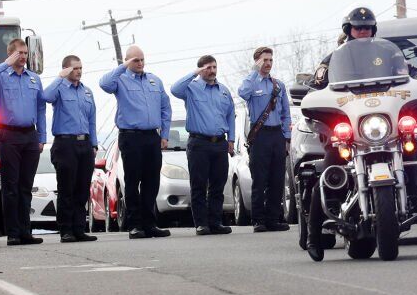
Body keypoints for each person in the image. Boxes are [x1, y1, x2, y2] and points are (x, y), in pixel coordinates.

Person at [100, 46, 172, 240]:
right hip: (130, 137)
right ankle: (135, 225)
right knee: (132, 181)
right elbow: (104, 84)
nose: (140, 63)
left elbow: (165, 108)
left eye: (142, 60)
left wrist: (164, 134)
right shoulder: (120, 80)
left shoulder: (154, 81)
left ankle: (150, 224)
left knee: (151, 181)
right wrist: (123, 66)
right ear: (127, 61)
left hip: (151, 137)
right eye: (135, 60)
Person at [0, 39, 45, 247]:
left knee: (26, 187)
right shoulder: (1, 77)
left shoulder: (34, 79)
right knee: (11, 186)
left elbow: (41, 109)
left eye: (25, 53)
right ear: (10, 55)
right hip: (8, 135)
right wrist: (6, 63)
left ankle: (26, 231)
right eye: (19, 53)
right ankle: (13, 233)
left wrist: (41, 137)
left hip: (30, 135)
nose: (24, 56)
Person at [172, 55, 235, 236]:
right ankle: (201, 224)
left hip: (219, 143)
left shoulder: (223, 91)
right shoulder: (191, 88)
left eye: (214, 67)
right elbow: (175, 89)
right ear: (200, 70)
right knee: (199, 184)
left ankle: (215, 222)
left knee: (218, 184)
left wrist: (231, 139)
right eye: (208, 67)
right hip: (199, 143)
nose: (212, 70)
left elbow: (230, 115)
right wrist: (194, 73)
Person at [40, 55, 99, 243]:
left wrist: (94, 144)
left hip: (85, 144)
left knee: (82, 189)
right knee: (67, 188)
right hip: (65, 144)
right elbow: (45, 96)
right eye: (75, 68)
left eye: (81, 68)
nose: (79, 71)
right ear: (66, 70)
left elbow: (92, 119)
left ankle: (79, 229)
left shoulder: (87, 92)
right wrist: (60, 77)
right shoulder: (59, 90)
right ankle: (66, 230)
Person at [241, 46, 293, 231]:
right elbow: (242, 92)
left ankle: (273, 218)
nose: (268, 63)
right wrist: (254, 72)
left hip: (277, 134)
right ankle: (259, 220)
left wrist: (287, 137)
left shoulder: (278, 85)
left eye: (270, 60)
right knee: (260, 179)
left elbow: (286, 113)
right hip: (260, 135)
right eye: (265, 60)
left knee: (277, 178)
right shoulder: (252, 82)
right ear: (257, 61)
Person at [310, 8, 378, 89]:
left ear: (373, 29)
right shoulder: (334, 58)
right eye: (358, 28)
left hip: (382, 98)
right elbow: (317, 88)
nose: (363, 31)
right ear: (348, 29)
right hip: (346, 99)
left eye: (367, 28)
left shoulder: (385, 53)